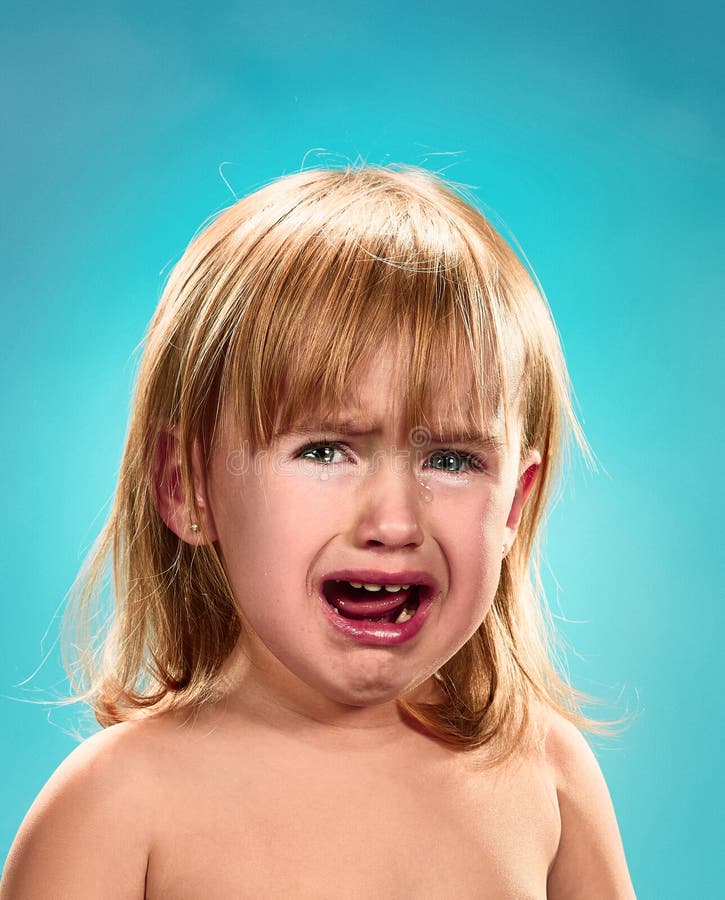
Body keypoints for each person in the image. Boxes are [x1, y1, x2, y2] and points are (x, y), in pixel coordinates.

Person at [1, 164, 636, 898]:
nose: (394, 523)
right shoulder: (117, 806)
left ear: (514, 505)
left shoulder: (545, 774)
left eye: (452, 458)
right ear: (188, 486)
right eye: (324, 451)